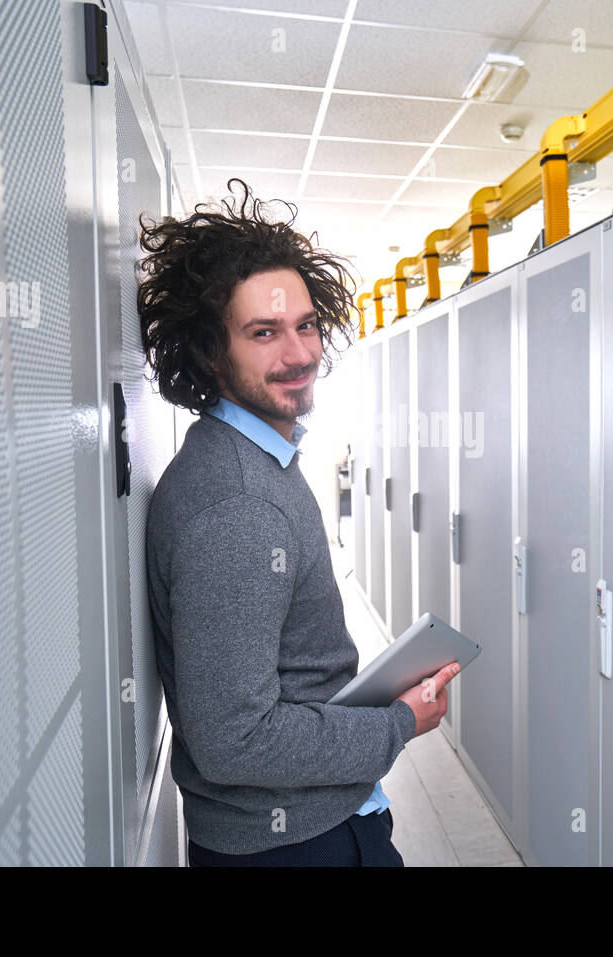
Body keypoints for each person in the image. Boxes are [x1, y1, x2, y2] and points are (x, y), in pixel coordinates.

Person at [138, 178, 459, 866]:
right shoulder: (238, 504)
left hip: (305, 827)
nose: (300, 353)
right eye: (264, 333)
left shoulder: (252, 461)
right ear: (208, 352)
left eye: (305, 325)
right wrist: (401, 720)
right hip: (294, 846)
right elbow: (236, 739)